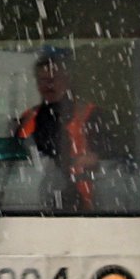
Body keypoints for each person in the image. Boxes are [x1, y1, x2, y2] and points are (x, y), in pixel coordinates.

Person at [15, 48, 101, 210]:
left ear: (68, 80)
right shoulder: (27, 118)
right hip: (33, 207)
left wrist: (90, 160)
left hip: (90, 210)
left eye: (54, 79)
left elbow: (111, 161)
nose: (48, 85)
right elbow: (14, 164)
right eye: (42, 80)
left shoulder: (92, 114)